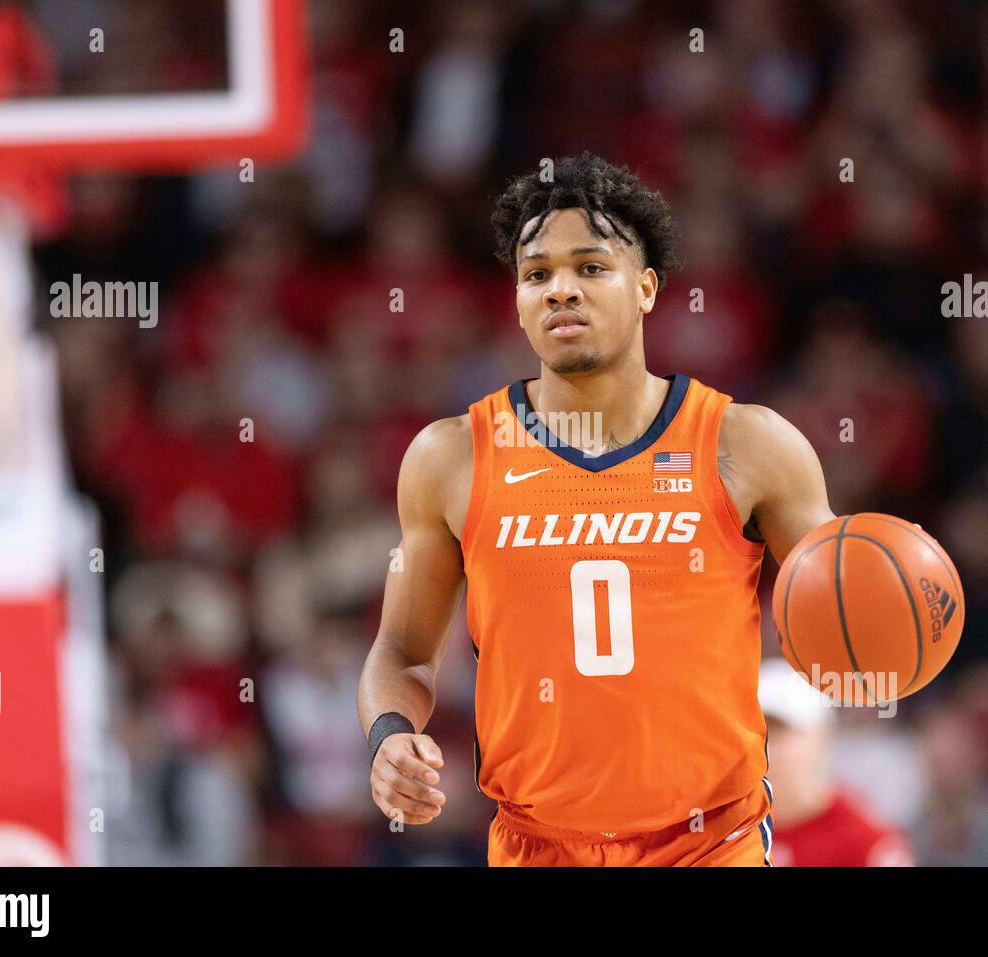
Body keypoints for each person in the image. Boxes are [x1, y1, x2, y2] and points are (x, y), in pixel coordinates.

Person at [358, 153, 835, 866]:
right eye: (536, 274)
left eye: (590, 267)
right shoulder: (450, 458)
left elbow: (847, 614)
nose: (560, 290)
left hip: (712, 843)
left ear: (645, 288)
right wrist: (390, 735)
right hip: (538, 846)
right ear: (518, 301)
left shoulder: (749, 444)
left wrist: (886, 640)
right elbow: (402, 652)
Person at [756, 659, 914, 867]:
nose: (769, 750)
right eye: (761, 735)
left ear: (821, 739)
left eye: (782, 735)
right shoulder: (728, 828)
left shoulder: (867, 843)